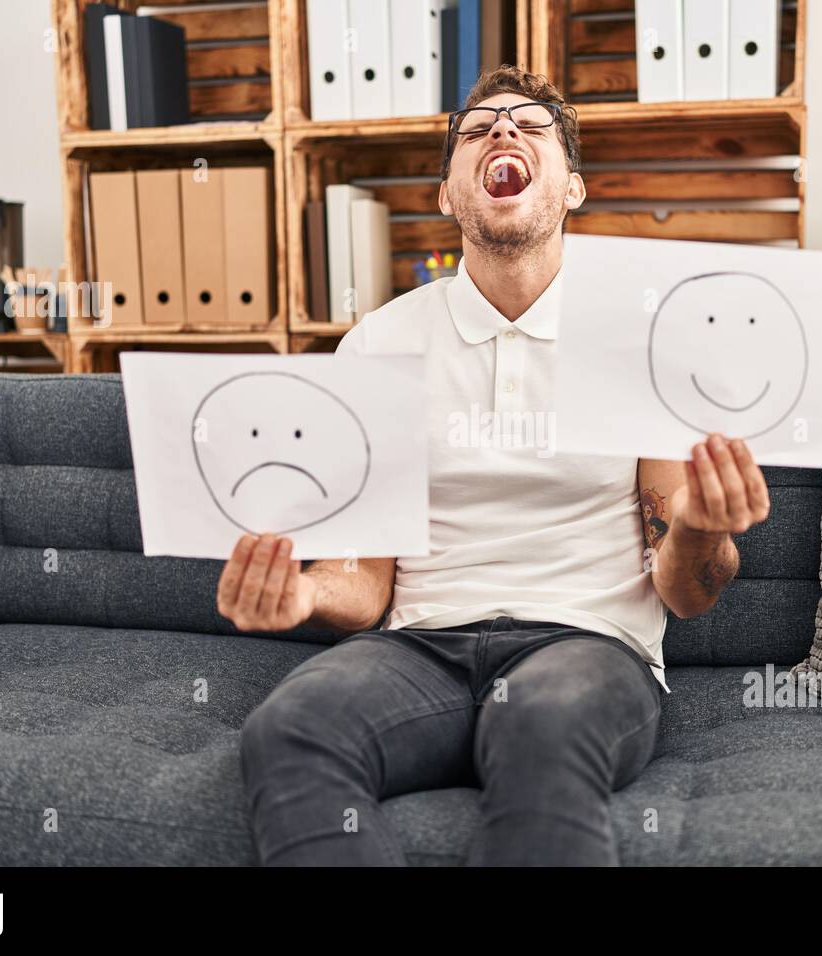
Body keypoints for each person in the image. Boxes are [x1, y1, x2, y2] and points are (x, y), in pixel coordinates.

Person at [225, 65, 771, 866]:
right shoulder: (378, 343)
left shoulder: (646, 342)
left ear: (573, 186)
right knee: (288, 730)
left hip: (588, 646)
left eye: (529, 125)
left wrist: (697, 530)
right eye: (477, 130)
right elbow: (365, 584)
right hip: (420, 651)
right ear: (448, 194)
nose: (503, 131)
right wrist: (303, 591)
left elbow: (688, 593)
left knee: (539, 725)